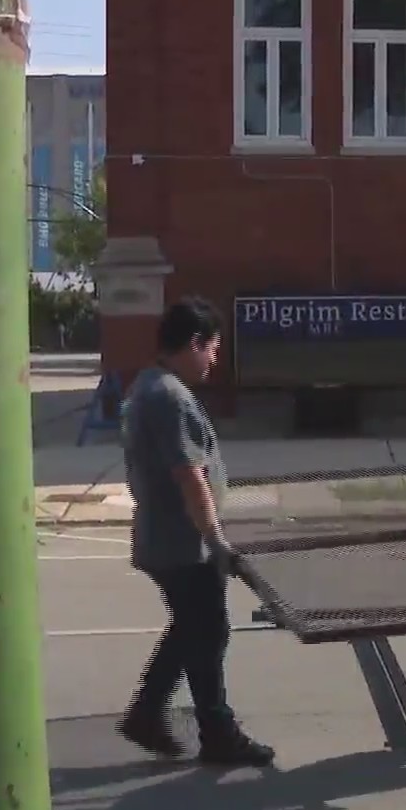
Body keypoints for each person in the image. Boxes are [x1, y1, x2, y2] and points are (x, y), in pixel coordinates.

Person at [115, 297, 276, 768]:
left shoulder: (148, 386)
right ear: (193, 343)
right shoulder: (170, 397)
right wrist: (216, 539)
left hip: (166, 537)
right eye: (213, 349)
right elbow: (190, 475)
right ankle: (216, 731)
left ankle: (151, 714)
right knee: (205, 632)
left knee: (194, 629)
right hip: (183, 543)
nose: (214, 360)